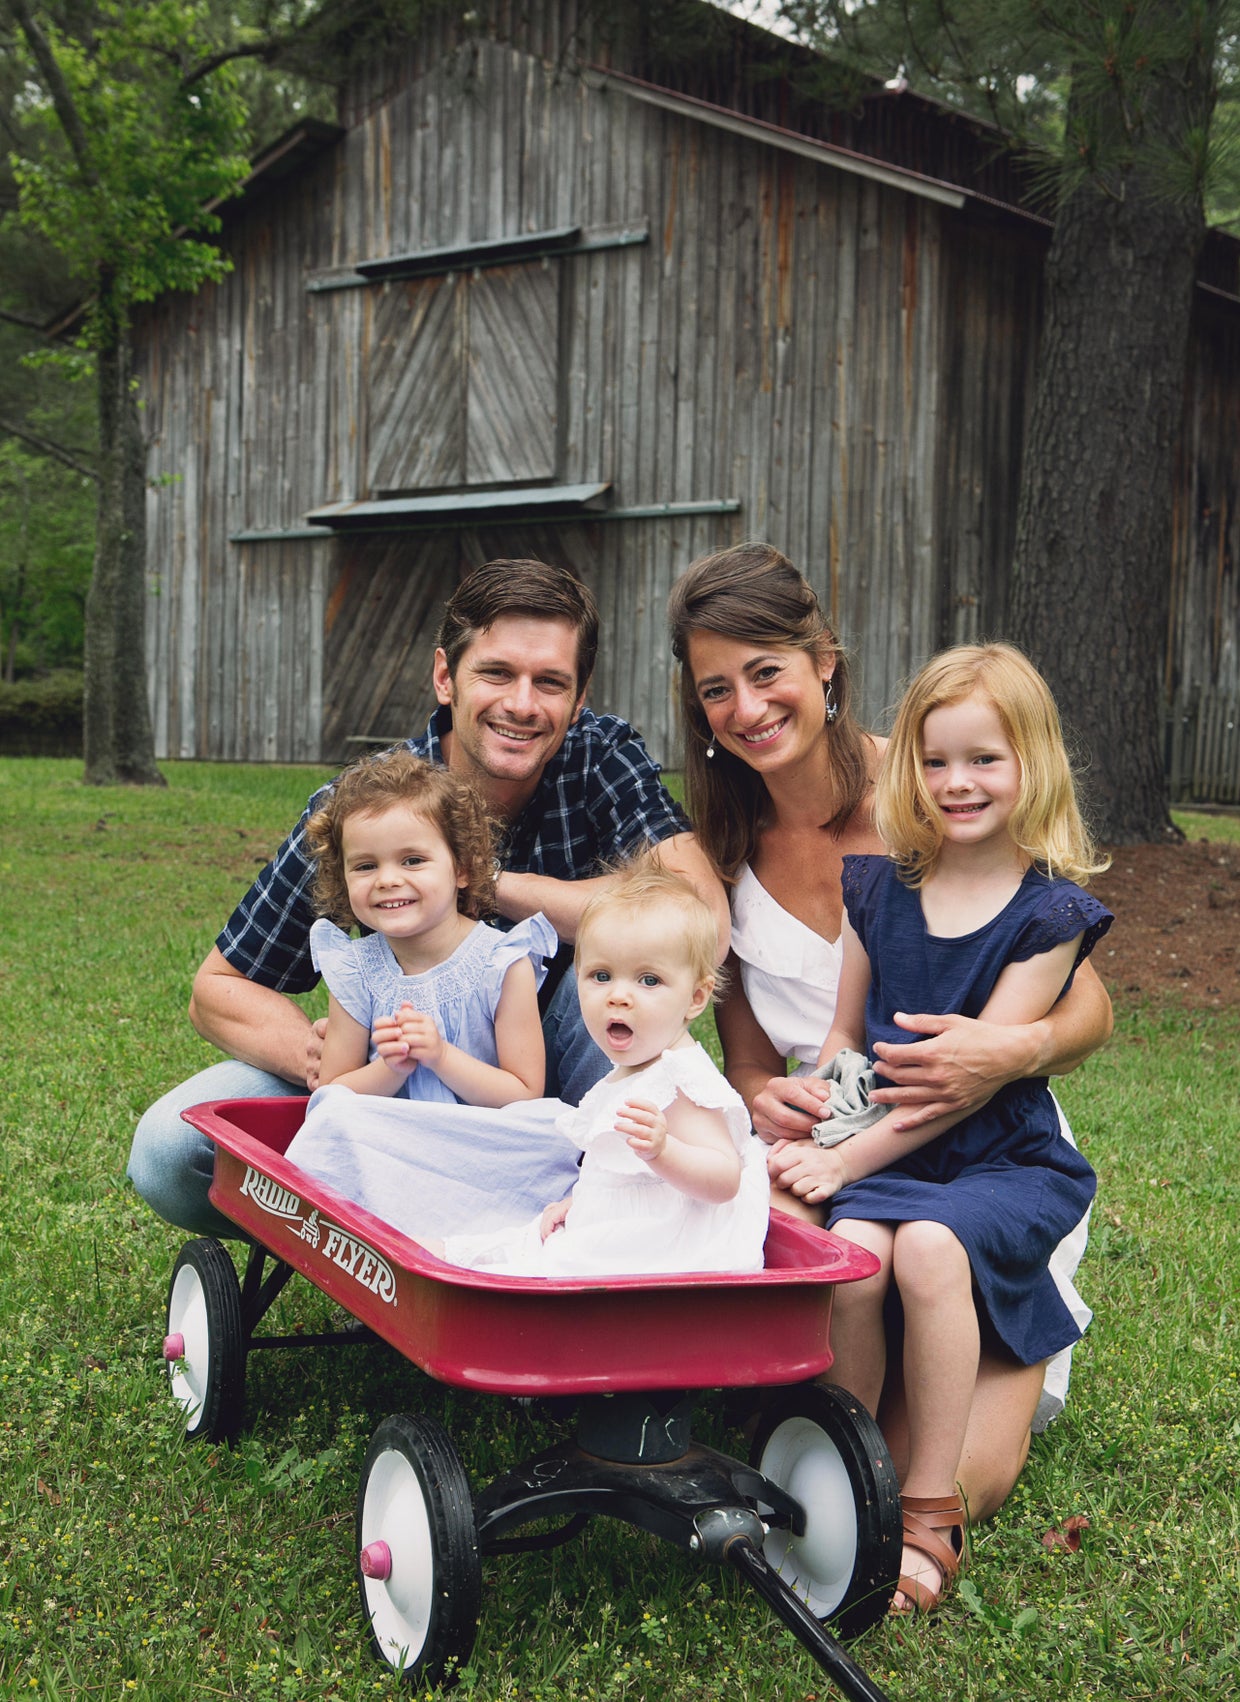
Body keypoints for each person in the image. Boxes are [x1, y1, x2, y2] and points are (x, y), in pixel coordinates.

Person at [667, 542, 1113, 1526]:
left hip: (973, 1139)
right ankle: (820, 1396)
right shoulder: (719, 849)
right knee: (834, 1415)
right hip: (846, 1142)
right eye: (715, 689)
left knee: (953, 1475)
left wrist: (1008, 1053)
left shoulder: (936, 783)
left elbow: (1085, 1001)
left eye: (766, 671)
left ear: (823, 659)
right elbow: (746, 1055)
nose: (746, 707)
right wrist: (758, 1095)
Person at [129, 559, 728, 1240]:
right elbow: (216, 990)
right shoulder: (370, 809)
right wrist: (330, 1062)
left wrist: (488, 885)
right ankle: (393, 1231)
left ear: (580, 694)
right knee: (169, 1151)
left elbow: (699, 913)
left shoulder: (598, 757)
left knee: (620, 970)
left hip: (555, 1099)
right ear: (446, 677)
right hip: (391, 1093)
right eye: (496, 673)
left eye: (550, 682)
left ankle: (591, 1205)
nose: (523, 704)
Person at [767, 643, 1111, 1613]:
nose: (956, 781)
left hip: (993, 1152)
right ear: (908, 766)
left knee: (922, 1247)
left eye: (983, 758)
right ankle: (847, 1469)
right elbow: (844, 1035)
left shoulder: (1050, 915)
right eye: (935, 759)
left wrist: (841, 1160)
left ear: (1031, 763)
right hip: (879, 1133)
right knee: (856, 1260)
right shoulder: (876, 888)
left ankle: (927, 1509)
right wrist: (818, 1110)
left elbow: (959, 1087)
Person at [440, 863, 769, 1277]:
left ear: (695, 998)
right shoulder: (633, 1069)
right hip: (633, 1225)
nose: (619, 996)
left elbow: (725, 1180)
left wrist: (665, 1151)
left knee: (535, 1266)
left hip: (667, 1247)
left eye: (648, 980)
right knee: (519, 1246)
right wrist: (579, 1203)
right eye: (601, 975)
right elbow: (618, 1175)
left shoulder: (682, 1080)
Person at [303, 746, 552, 1105]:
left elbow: (524, 1093)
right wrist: (392, 1068)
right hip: (387, 1139)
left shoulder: (501, 963)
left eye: (413, 860)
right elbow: (332, 1093)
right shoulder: (355, 968)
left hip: (478, 1139)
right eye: (365, 866)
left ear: (462, 869)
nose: (387, 879)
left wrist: (441, 1056)